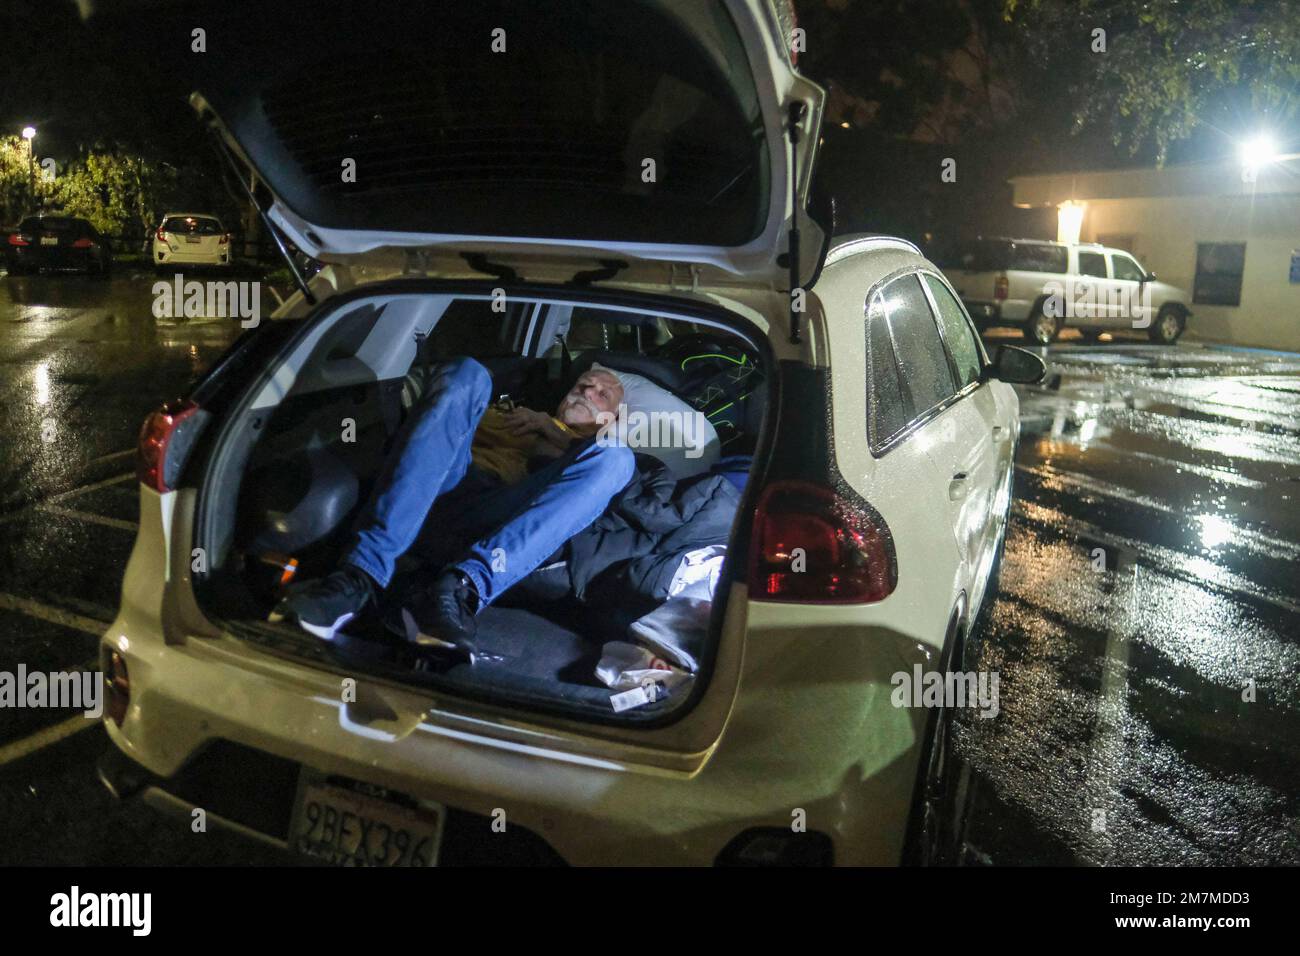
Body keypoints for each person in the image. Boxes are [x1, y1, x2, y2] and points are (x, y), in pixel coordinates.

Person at [270, 357, 635, 663]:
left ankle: (459, 591)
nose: (588, 391)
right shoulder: (511, 411)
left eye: (603, 394)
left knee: (619, 459)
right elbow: (435, 425)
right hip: (433, 488)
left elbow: (589, 479)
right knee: (468, 371)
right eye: (584, 384)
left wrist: (552, 431)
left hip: (492, 515)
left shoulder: (591, 452)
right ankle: (358, 578)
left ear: (614, 418)